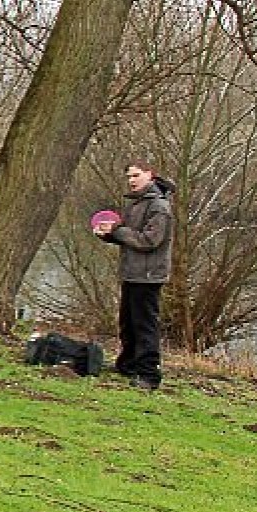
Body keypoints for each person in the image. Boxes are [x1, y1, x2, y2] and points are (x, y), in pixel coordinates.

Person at [93, 161, 175, 390]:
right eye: (129, 176)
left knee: (145, 326)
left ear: (150, 175)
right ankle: (127, 365)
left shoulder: (159, 206)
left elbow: (149, 240)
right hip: (131, 273)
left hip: (148, 276)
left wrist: (117, 231)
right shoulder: (137, 203)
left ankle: (149, 375)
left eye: (136, 175)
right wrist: (108, 235)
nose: (131, 180)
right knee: (127, 324)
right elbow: (129, 237)